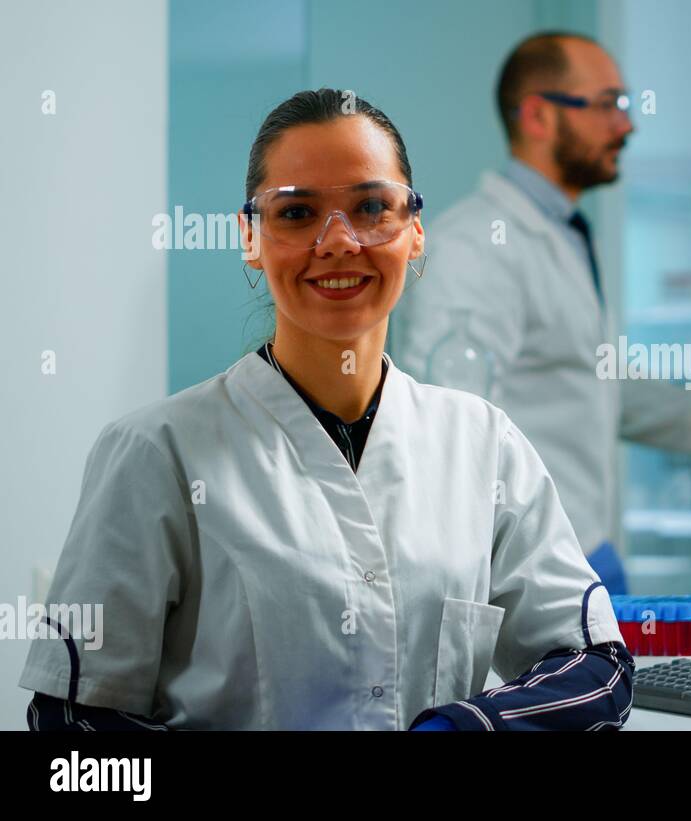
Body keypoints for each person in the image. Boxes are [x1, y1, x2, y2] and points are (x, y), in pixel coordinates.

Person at [21, 88, 632, 731]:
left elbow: (597, 668)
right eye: (297, 213)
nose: (339, 242)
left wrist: (464, 728)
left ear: (415, 231)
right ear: (250, 238)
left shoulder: (483, 444)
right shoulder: (157, 452)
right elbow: (71, 726)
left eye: (371, 207)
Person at [390, 32, 691, 594]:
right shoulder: (476, 248)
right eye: (609, 105)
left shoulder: (562, 233)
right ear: (540, 116)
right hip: (527, 578)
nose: (627, 125)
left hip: (580, 558)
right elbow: (450, 432)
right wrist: (549, 567)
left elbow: (585, 382)